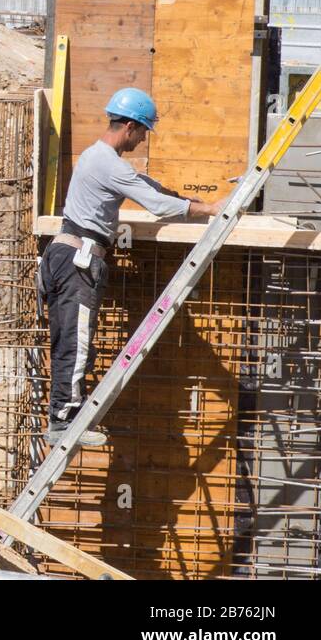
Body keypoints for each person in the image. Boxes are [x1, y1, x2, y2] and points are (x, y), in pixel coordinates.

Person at [41, 87, 223, 447]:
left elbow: (146, 186)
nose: (142, 140)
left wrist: (186, 199)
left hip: (70, 257)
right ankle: (62, 423)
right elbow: (155, 204)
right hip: (77, 261)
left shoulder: (100, 159)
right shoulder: (106, 162)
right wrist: (210, 209)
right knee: (75, 345)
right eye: (142, 132)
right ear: (129, 126)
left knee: (74, 343)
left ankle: (66, 416)